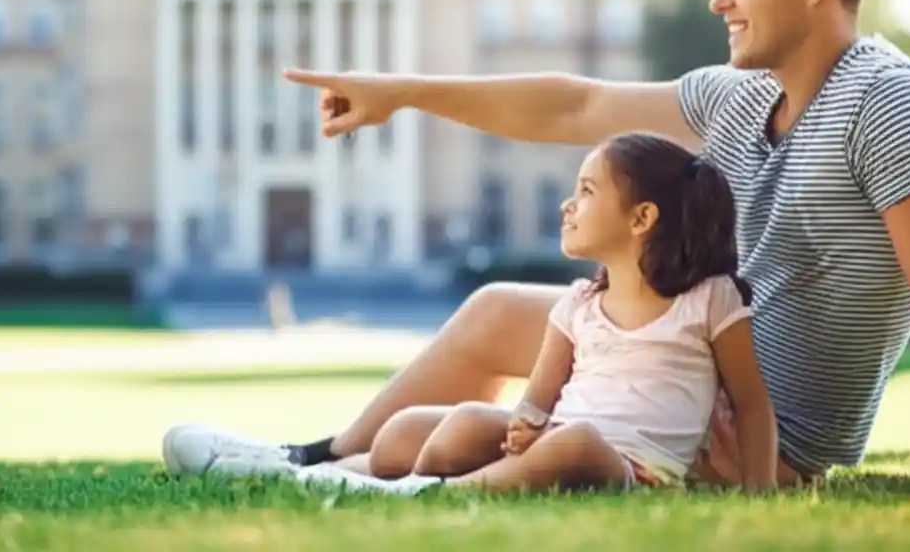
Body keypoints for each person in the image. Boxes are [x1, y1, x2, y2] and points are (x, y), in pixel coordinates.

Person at [163, 0, 910, 485]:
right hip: (680, 371)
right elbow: (574, 105)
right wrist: (404, 93)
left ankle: (341, 479)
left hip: (750, 432)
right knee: (491, 313)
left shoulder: (897, 109)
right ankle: (319, 460)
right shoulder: (742, 97)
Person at [173, 134, 778, 496]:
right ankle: (358, 472)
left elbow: (751, 403)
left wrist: (757, 489)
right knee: (424, 428)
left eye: (589, 191)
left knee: (580, 445)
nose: (569, 203)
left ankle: (424, 493)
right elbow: (540, 394)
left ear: (642, 219)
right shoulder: (577, 304)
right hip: (555, 441)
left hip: (626, 465)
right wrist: (524, 424)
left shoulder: (710, 302)